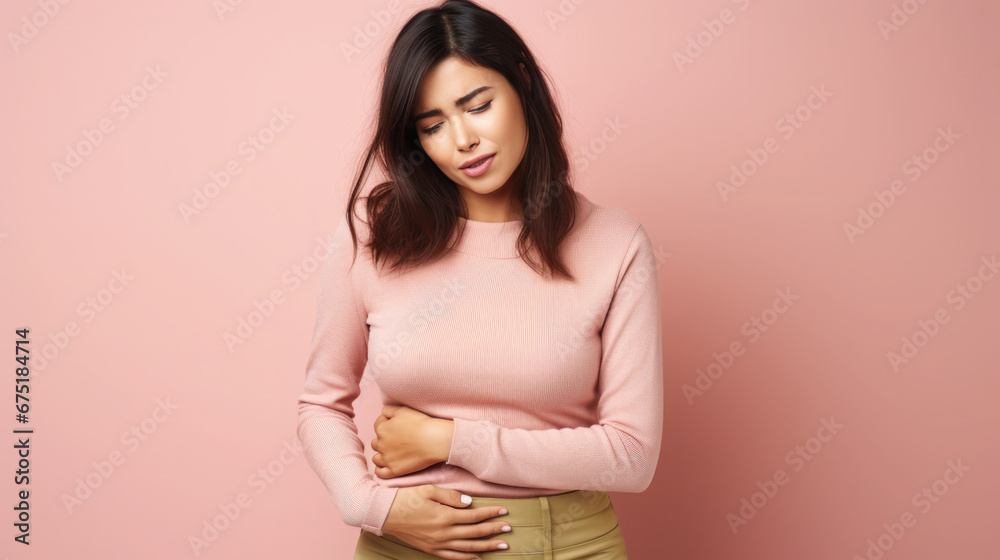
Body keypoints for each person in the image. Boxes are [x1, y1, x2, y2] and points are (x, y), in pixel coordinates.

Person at [295, 1, 663, 558]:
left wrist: (452, 441)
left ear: (521, 82)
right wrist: (375, 507)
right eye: (433, 125)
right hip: (406, 543)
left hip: (569, 544)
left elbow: (632, 456)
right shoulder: (372, 234)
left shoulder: (615, 244)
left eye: (477, 105)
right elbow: (321, 404)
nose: (462, 139)